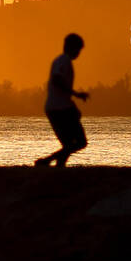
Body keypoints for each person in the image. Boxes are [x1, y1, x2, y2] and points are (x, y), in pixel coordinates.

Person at [35, 33, 89, 167]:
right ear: (71, 47)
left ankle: (57, 165)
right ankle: (46, 161)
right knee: (80, 142)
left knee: (68, 145)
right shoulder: (63, 61)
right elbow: (56, 80)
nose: (78, 53)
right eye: (78, 49)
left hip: (55, 108)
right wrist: (76, 94)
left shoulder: (61, 61)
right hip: (60, 108)